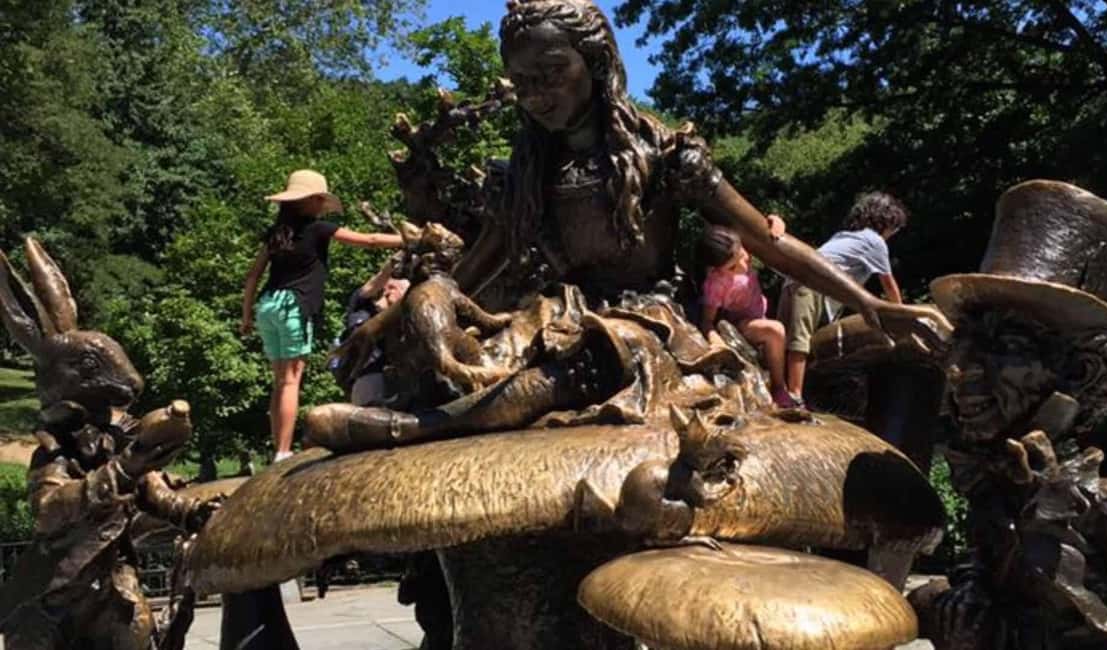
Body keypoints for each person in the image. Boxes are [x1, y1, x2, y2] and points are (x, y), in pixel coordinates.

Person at [313, 0, 947, 450]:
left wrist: (870, 303)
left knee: (563, 373)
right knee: (433, 302)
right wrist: (393, 318)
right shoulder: (528, 171)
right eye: (525, 81)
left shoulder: (667, 158)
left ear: (594, 62)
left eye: (552, 74)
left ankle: (415, 429)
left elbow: (768, 242)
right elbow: (479, 268)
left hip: (640, 322)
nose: (538, 95)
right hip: (553, 314)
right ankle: (415, 404)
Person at [240, 169, 403, 461]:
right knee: (292, 381)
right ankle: (282, 452)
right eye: (317, 199)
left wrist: (246, 316)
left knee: (279, 382)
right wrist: (406, 240)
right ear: (308, 202)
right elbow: (371, 240)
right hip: (293, 305)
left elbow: (252, 276)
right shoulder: (318, 229)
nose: (320, 204)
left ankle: (278, 446)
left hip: (267, 305)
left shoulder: (276, 234)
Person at [778, 191, 909, 405]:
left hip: (793, 281)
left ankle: (779, 388)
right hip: (812, 284)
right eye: (895, 228)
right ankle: (795, 395)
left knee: (786, 339)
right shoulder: (875, 241)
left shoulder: (844, 236)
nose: (894, 233)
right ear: (887, 221)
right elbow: (889, 285)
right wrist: (901, 317)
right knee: (799, 342)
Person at [698, 225, 794, 408]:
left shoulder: (744, 247)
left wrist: (774, 221)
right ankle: (779, 387)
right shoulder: (716, 283)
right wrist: (714, 338)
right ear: (716, 270)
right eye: (732, 267)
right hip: (740, 325)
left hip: (760, 313)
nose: (743, 264)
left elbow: (760, 225)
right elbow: (707, 321)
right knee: (776, 330)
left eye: (742, 254)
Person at [341, 267, 410, 406]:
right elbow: (370, 286)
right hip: (371, 378)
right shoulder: (363, 307)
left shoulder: (408, 318)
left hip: (402, 380)